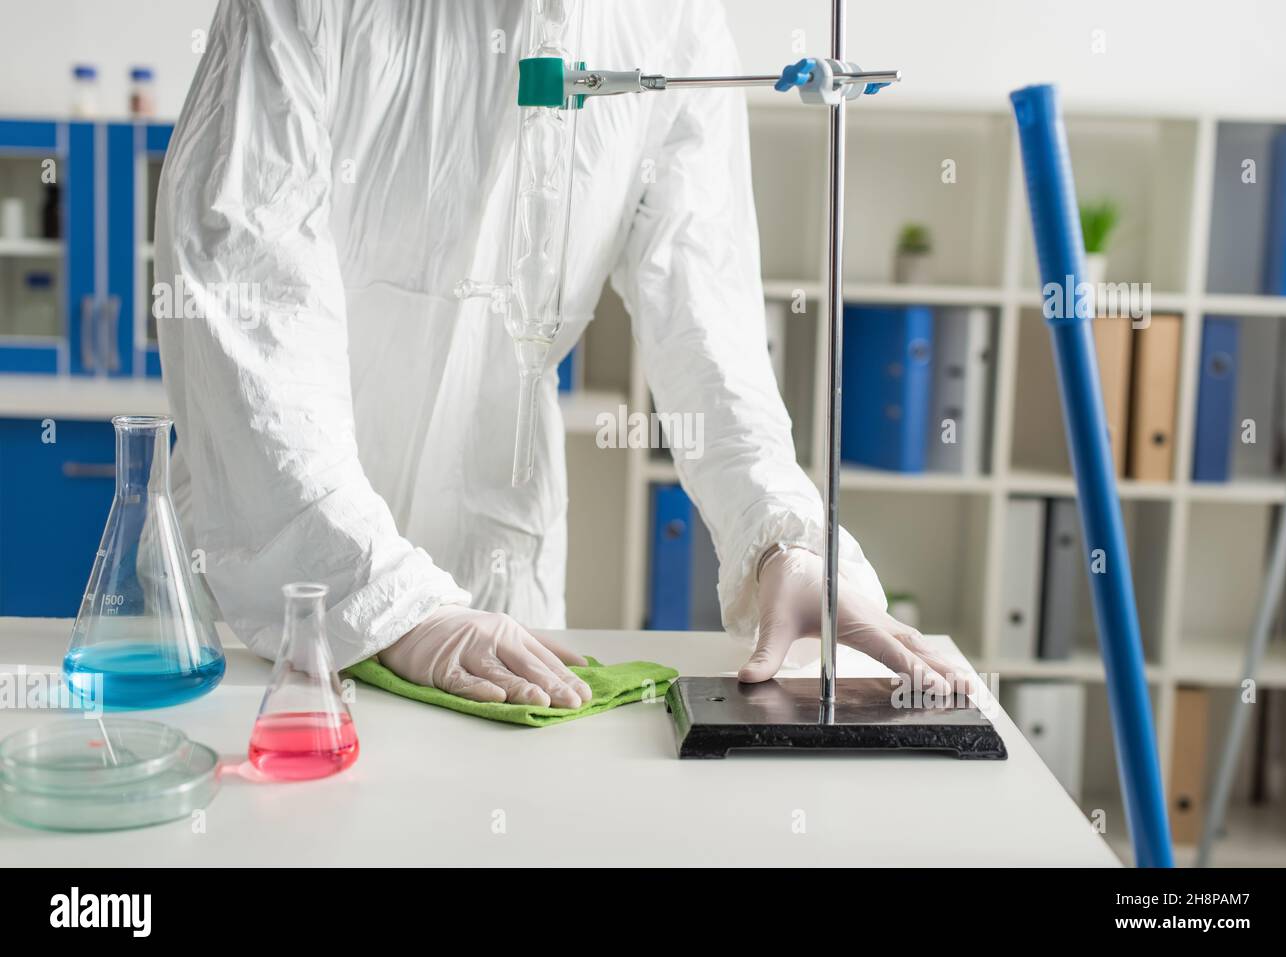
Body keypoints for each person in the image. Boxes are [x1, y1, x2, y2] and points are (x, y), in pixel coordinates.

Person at [156, 0, 968, 710]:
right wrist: (381, 597)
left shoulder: (673, 19)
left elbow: (706, 321)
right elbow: (243, 278)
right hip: (283, 567)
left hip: (501, 561)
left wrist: (781, 537)